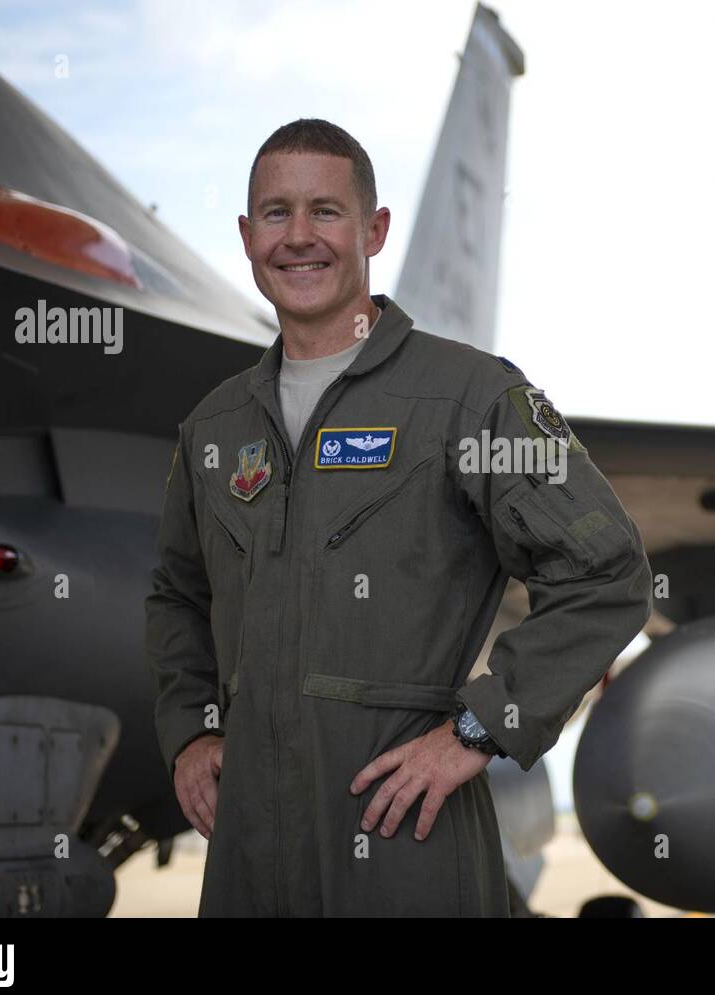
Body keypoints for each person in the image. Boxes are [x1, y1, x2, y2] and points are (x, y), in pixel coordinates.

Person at [146, 118, 652, 916]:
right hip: (249, 856)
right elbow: (177, 593)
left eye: (327, 211)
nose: (299, 237)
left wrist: (478, 732)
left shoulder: (471, 397)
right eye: (276, 214)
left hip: (405, 842)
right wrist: (191, 731)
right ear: (247, 236)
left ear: (374, 230)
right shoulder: (214, 428)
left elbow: (609, 574)